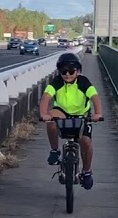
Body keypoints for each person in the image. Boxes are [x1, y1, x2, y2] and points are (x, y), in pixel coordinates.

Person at [40, 51, 102, 189]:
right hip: (62, 112)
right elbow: (46, 97)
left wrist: (98, 113)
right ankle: (55, 151)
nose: (67, 74)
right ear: (59, 72)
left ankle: (87, 172)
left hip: (82, 115)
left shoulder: (83, 82)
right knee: (51, 120)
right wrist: (44, 113)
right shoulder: (56, 82)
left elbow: (95, 97)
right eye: (63, 71)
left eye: (71, 71)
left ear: (78, 71)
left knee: (85, 142)